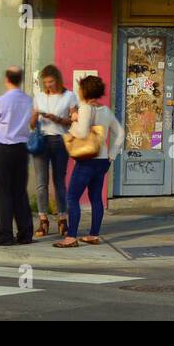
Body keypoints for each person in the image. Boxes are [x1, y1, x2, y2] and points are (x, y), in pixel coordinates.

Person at [55, 75, 124, 248]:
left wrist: (73, 120)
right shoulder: (106, 111)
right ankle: (94, 235)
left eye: (80, 88)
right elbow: (121, 133)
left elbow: (82, 133)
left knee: (72, 197)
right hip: (102, 161)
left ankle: (71, 237)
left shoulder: (85, 108)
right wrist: (112, 155)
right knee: (96, 198)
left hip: (87, 160)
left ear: (84, 90)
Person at [0, 67, 34, 245]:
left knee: (2, 191)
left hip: (3, 147)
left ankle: (4, 233)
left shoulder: (2, 101)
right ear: (20, 79)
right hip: (21, 148)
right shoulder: (28, 100)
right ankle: (25, 232)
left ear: (7, 80)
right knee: (19, 191)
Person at [30, 65, 77, 237]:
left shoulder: (69, 96)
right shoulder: (39, 97)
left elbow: (73, 122)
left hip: (59, 141)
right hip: (41, 140)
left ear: (57, 79)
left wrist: (56, 119)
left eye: (51, 81)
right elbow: (32, 124)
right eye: (45, 82)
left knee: (59, 182)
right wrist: (35, 116)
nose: (48, 85)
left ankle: (62, 219)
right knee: (41, 183)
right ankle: (43, 220)